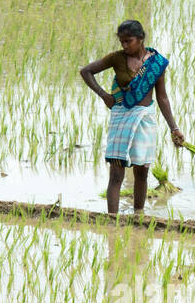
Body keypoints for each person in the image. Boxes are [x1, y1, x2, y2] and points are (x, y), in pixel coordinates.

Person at [79, 20, 186, 214]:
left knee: (142, 173)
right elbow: (86, 71)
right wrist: (104, 95)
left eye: (128, 41)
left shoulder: (156, 64)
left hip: (145, 119)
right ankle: (112, 220)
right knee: (117, 172)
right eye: (122, 41)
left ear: (141, 38)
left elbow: (162, 97)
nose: (124, 46)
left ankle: (139, 216)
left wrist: (174, 127)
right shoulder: (116, 59)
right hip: (122, 117)